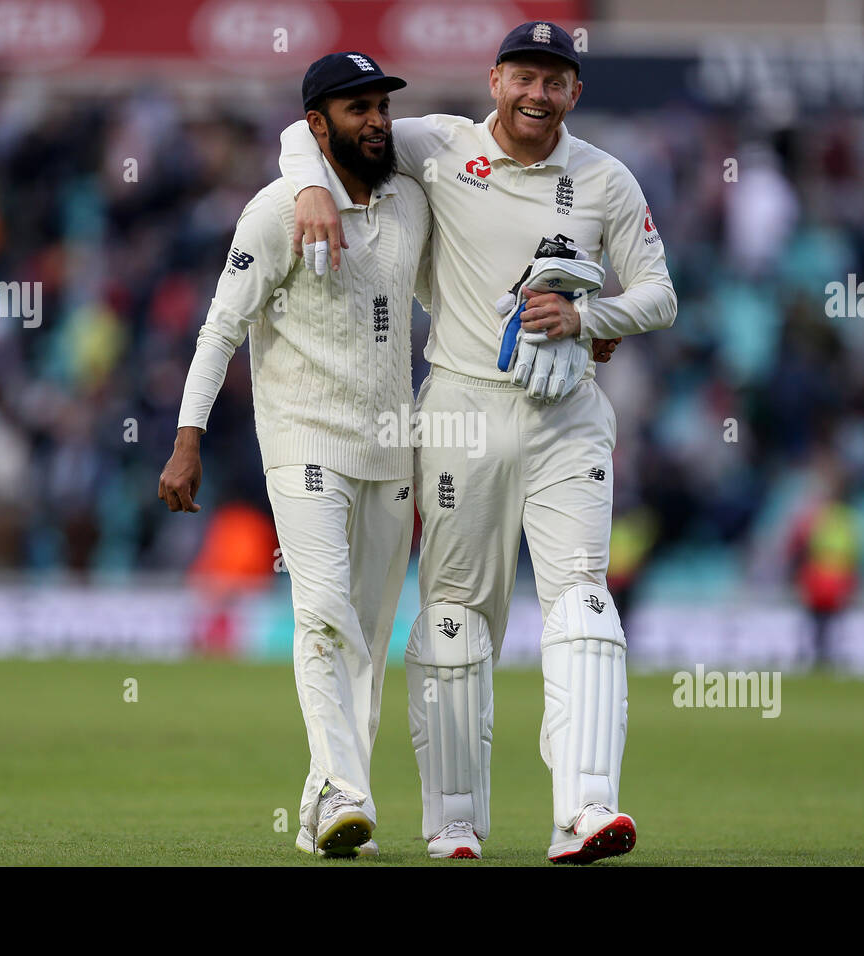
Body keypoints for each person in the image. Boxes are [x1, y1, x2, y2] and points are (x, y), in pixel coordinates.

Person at [278, 21, 677, 863]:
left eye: (555, 80)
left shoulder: (606, 178)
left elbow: (660, 296)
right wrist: (310, 186)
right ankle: (454, 823)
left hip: (568, 414)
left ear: (575, 93)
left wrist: (585, 316)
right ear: (494, 80)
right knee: (456, 620)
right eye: (523, 75)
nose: (538, 93)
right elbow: (319, 124)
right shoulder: (437, 146)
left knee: (585, 604)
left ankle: (586, 811)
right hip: (461, 410)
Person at [159, 51, 431, 858]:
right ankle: (351, 791)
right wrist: (186, 440)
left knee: (371, 642)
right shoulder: (277, 211)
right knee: (321, 614)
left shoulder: (411, 204)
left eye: (382, 106)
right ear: (318, 126)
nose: (378, 120)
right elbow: (219, 329)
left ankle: (324, 806)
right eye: (358, 109)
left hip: (392, 449)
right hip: (304, 440)